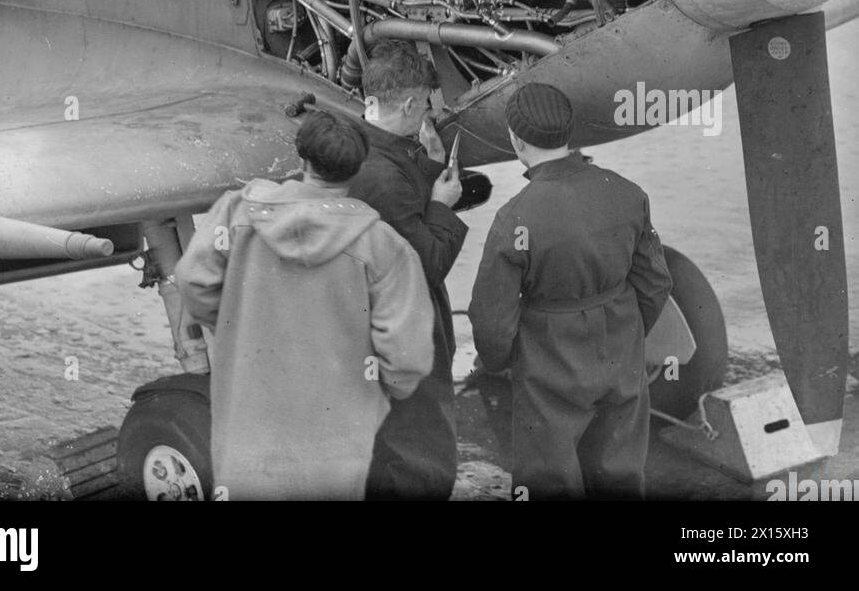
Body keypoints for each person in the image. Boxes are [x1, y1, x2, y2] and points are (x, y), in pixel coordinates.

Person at [175, 109, 434, 501]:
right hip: (338, 441)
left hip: (248, 423)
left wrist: (235, 327)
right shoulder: (385, 248)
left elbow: (193, 281)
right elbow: (406, 358)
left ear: (303, 160)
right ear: (356, 168)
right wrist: (380, 392)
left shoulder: (236, 212)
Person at [469, 82, 672, 500]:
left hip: (548, 361)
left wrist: (501, 363)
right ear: (569, 132)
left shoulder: (514, 219)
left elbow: (491, 319)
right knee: (620, 476)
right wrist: (628, 334)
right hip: (621, 350)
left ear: (515, 139)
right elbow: (655, 283)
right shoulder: (627, 192)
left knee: (548, 481)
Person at [348, 40, 467, 500]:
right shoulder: (385, 177)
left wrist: (430, 165)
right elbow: (427, 265)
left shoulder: (355, 144)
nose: (428, 114)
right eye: (426, 105)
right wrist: (442, 206)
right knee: (422, 452)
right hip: (403, 329)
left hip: (362, 325)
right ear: (413, 102)